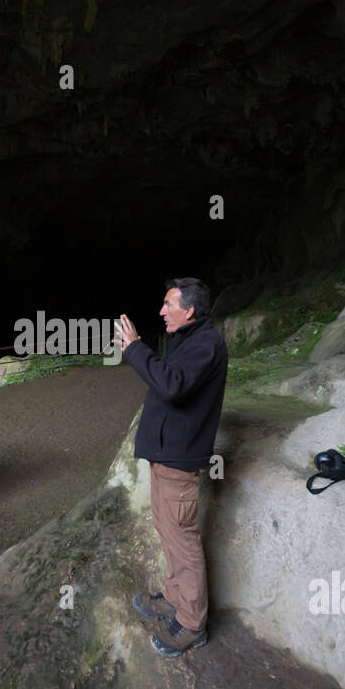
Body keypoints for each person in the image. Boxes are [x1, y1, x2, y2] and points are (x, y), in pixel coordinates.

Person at [114, 278, 228, 658]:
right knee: (168, 531)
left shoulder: (207, 344)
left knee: (184, 542)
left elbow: (173, 386)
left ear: (189, 310)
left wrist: (134, 349)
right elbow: (168, 384)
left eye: (167, 304)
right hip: (166, 457)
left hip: (179, 462)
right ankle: (174, 599)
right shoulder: (187, 339)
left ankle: (193, 624)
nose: (161, 311)